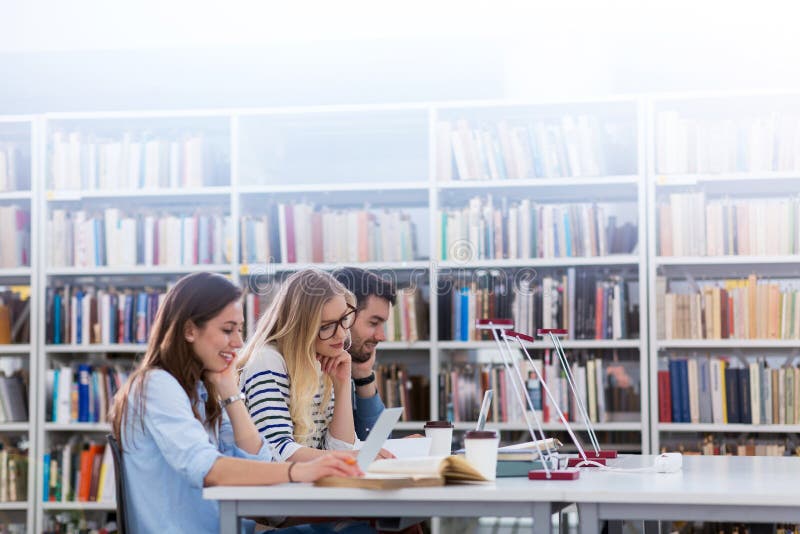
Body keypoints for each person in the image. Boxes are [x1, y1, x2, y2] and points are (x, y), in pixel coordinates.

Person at [110, 272, 364, 534]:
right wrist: (302, 471)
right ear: (188, 330)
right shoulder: (156, 385)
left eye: (240, 329)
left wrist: (230, 392)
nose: (239, 342)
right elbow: (210, 470)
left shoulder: (202, 391)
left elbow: (262, 462)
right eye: (227, 330)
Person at [238, 269, 362, 461]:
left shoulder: (321, 360)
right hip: (275, 489)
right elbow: (276, 452)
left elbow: (339, 449)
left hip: (306, 486)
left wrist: (342, 385)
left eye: (344, 319)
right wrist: (350, 458)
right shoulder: (267, 361)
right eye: (326, 327)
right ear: (301, 329)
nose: (342, 335)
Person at [331, 267, 395, 440]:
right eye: (374, 323)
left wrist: (363, 376)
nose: (382, 337)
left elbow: (379, 442)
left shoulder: (347, 364)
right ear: (345, 315)